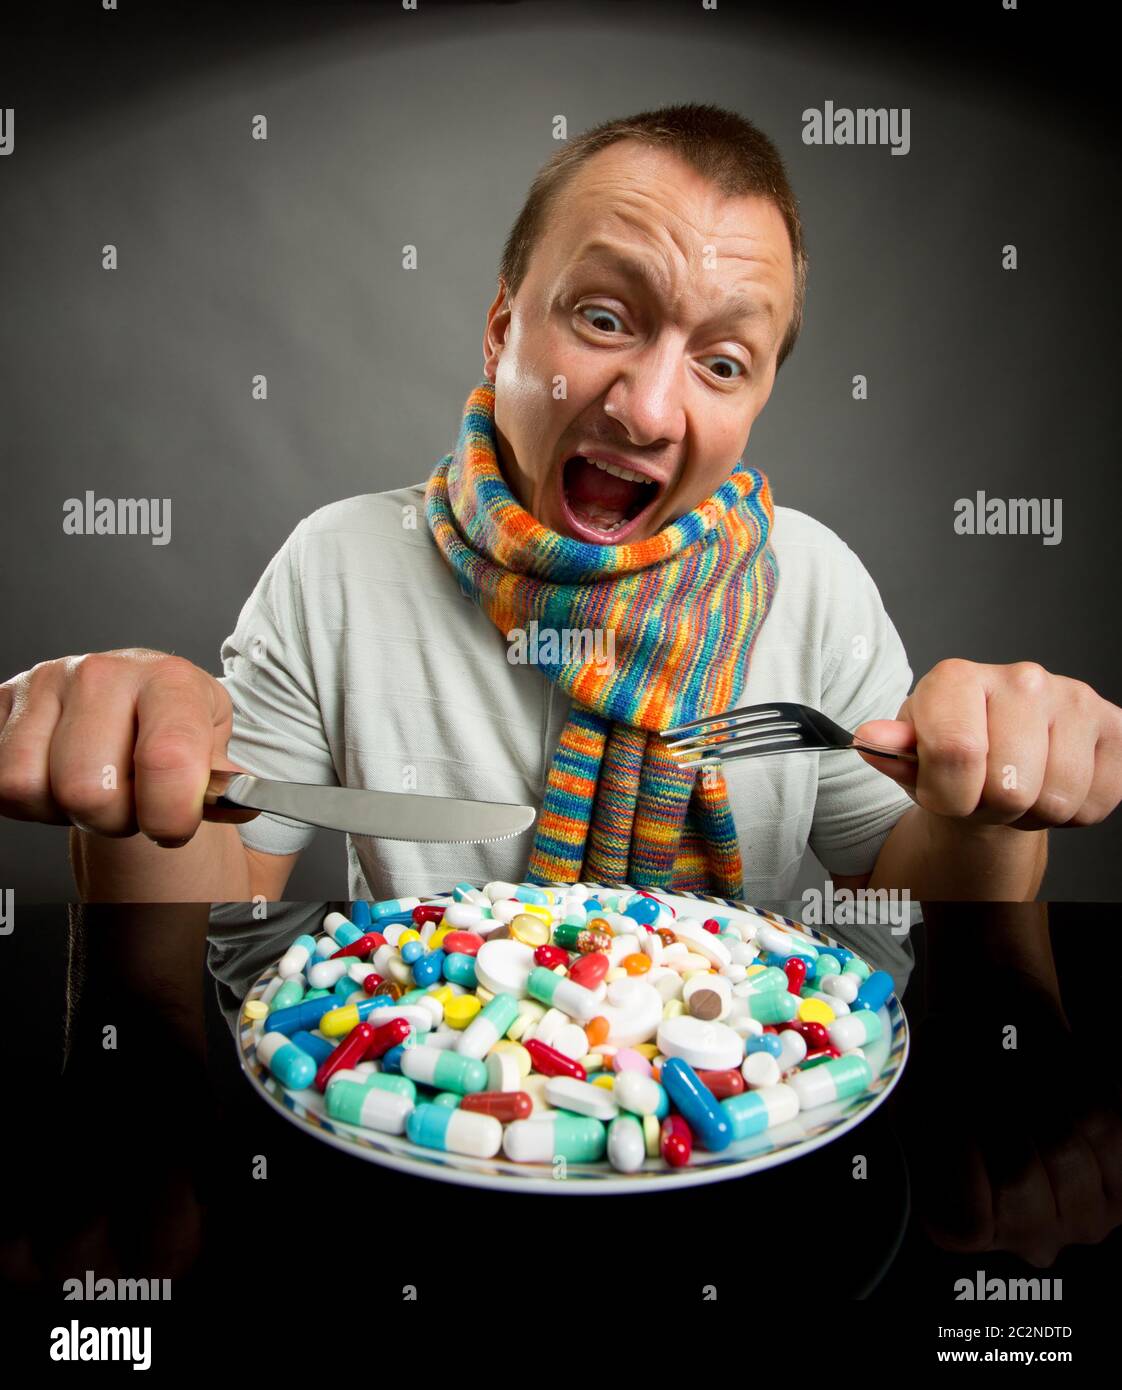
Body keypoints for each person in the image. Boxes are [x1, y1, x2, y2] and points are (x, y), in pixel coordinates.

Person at [1, 103, 1119, 906]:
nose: (646, 408)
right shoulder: (337, 567)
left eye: (724, 362)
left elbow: (900, 887)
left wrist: (987, 815)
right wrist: (143, 772)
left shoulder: (810, 583)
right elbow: (220, 897)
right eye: (603, 318)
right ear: (502, 329)